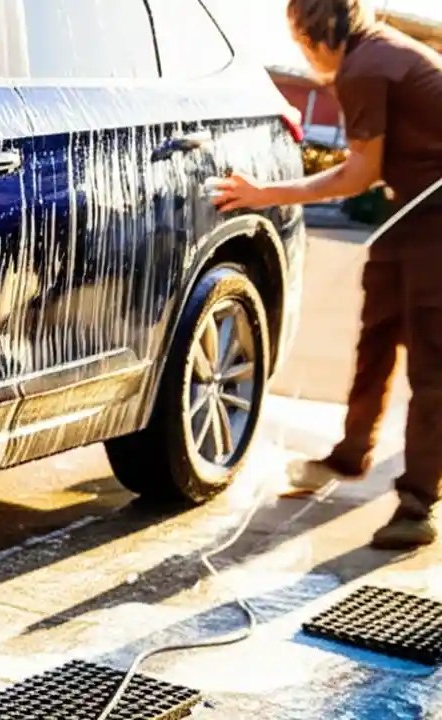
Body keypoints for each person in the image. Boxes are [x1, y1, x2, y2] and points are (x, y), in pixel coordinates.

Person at [212, 0, 442, 549]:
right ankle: (350, 453)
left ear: (311, 33)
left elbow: (358, 173)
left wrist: (267, 195)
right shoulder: (376, 51)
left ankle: (418, 505)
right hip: (408, 213)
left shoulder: (367, 66)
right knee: (377, 335)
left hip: (436, 220)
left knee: (433, 361)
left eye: (297, 40)